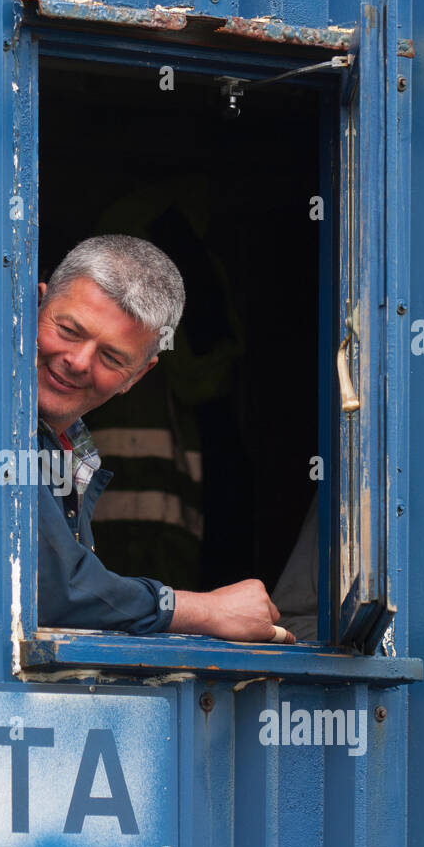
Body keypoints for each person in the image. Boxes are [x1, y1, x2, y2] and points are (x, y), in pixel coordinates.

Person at [36, 235, 295, 644]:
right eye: (68, 330)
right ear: (35, 304)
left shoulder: (71, 448)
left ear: (138, 375)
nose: (78, 362)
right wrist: (204, 611)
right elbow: (54, 590)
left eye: (112, 358)